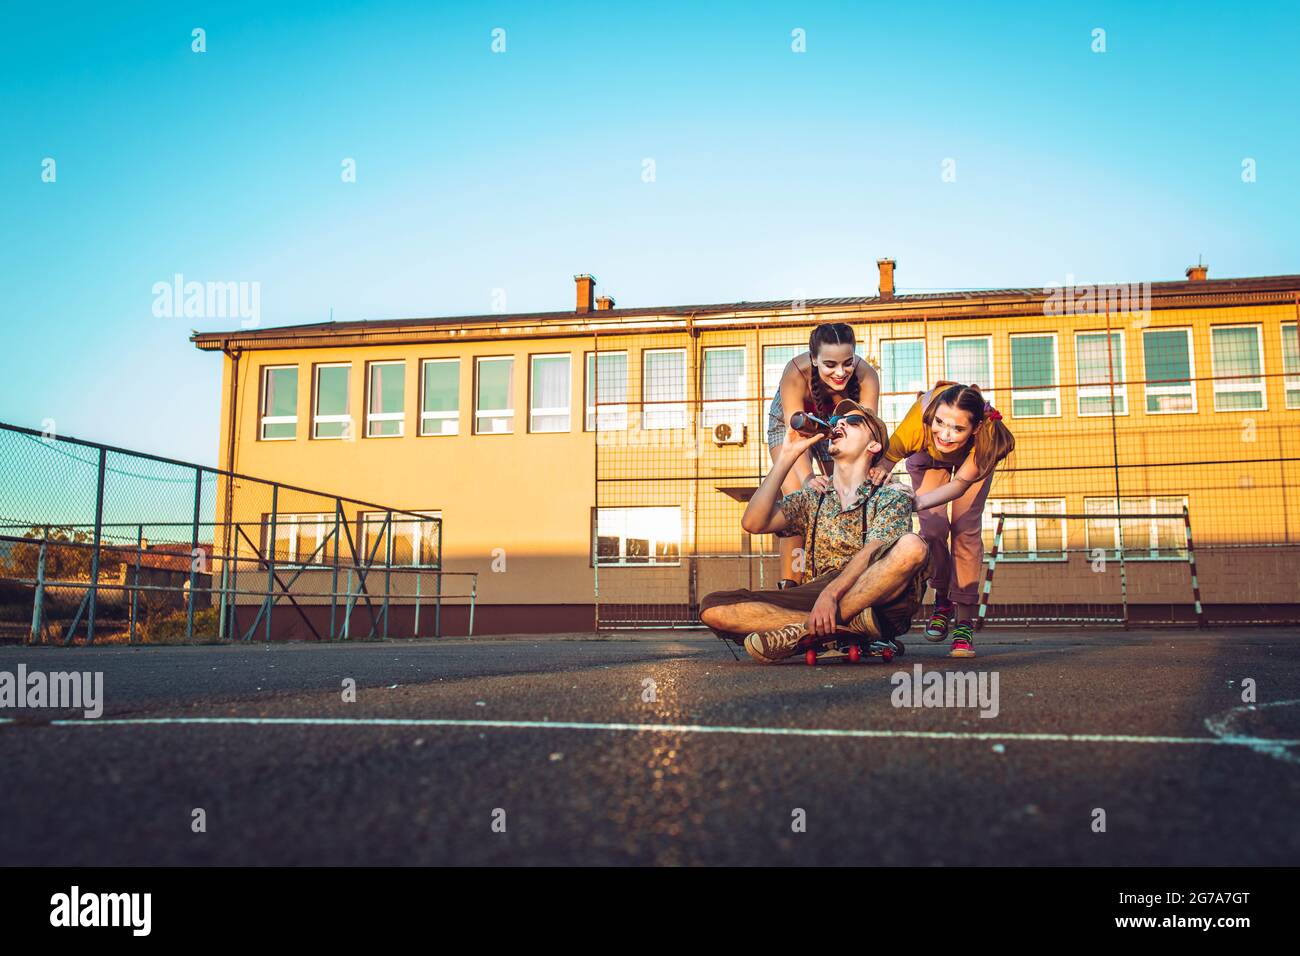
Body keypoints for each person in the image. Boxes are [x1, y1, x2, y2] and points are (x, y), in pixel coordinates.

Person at [701, 399, 929, 664]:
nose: (839, 423)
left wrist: (830, 595)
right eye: (834, 422)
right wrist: (787, 455)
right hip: (818, 594)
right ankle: (834, 628)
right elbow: (754, 523)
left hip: (877, 599)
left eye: (853, 421)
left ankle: (811, 626)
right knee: (714, 607)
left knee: (913, 546)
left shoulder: (890, 493)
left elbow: (873, 550)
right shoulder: (814, 497)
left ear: (874, 445)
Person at [867, 382, 1015, 658]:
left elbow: (959, 486)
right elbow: (882, 465)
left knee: (965, 530)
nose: (945, 435)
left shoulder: (987, 437)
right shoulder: (916, 425)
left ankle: (964, 623)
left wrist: (915, 502)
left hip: (967, 470)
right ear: (933, 414)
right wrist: (876, 486)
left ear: (976, 428)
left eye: (958, 429)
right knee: (933, 530)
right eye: (940, 423)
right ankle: (943, 600)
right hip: (927, 461)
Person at [766, 323, 880, 589]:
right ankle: (790, 584)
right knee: (799, 502)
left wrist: (870, 470)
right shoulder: (795, 373)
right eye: (830, 364)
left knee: (844, 495)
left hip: (840, 426)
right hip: (792, 428)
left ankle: (839, 579)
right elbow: (796, 437)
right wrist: (807, 478)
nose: (840, 372)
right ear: (814, 358)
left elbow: (867, 432)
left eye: (847, 363)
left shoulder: (867, 377)